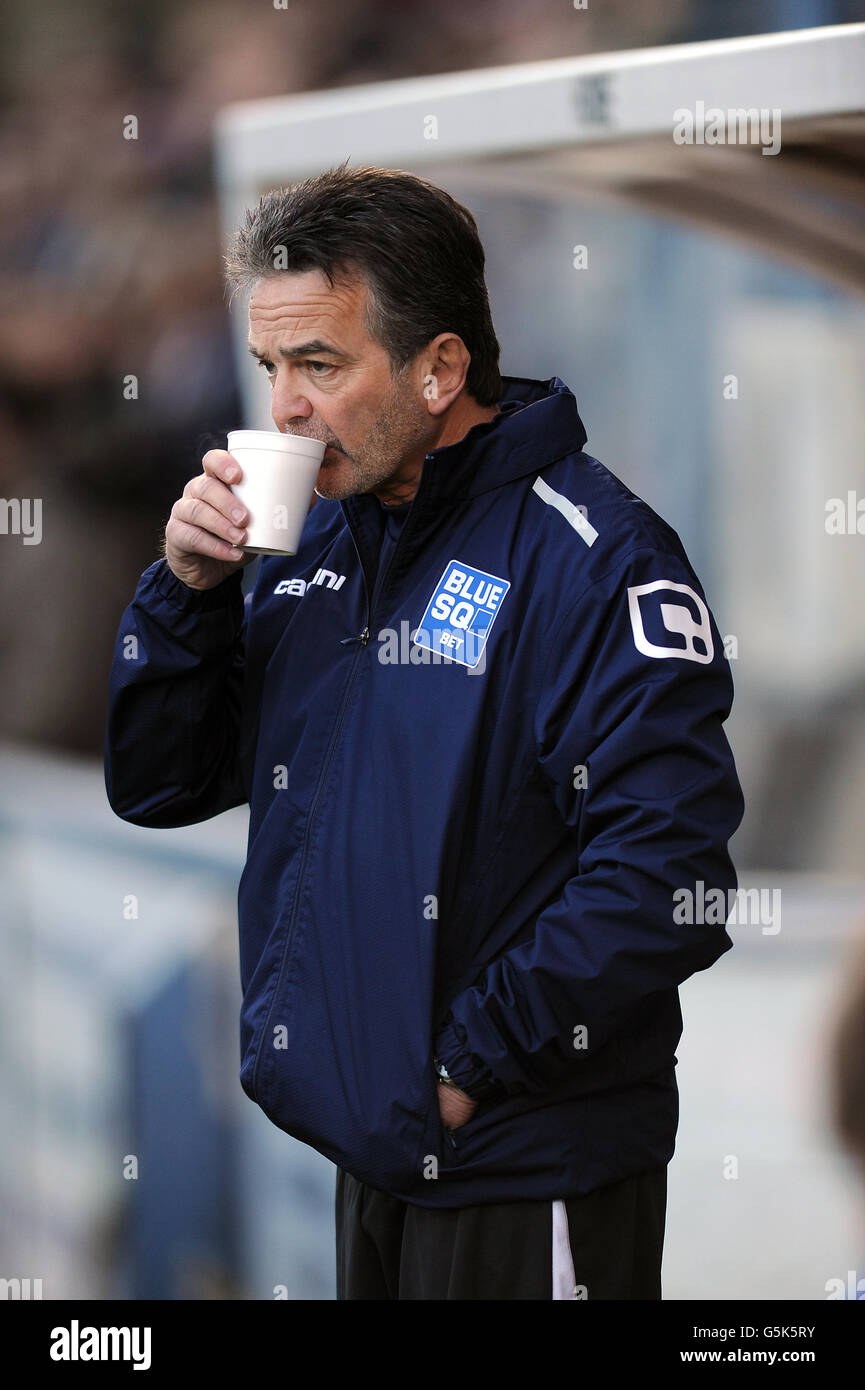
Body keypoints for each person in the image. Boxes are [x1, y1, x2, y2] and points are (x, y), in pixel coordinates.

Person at [104, 162, 744, 1300]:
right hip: (378, 1152)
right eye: (269, 369)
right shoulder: (315, 543)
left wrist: (464, 1062)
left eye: (319, 365)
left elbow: (669, 877)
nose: (283, 410)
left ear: (440, 366)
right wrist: (186, 593)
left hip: (517, 1161)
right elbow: (160, 785)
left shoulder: (592, 559)